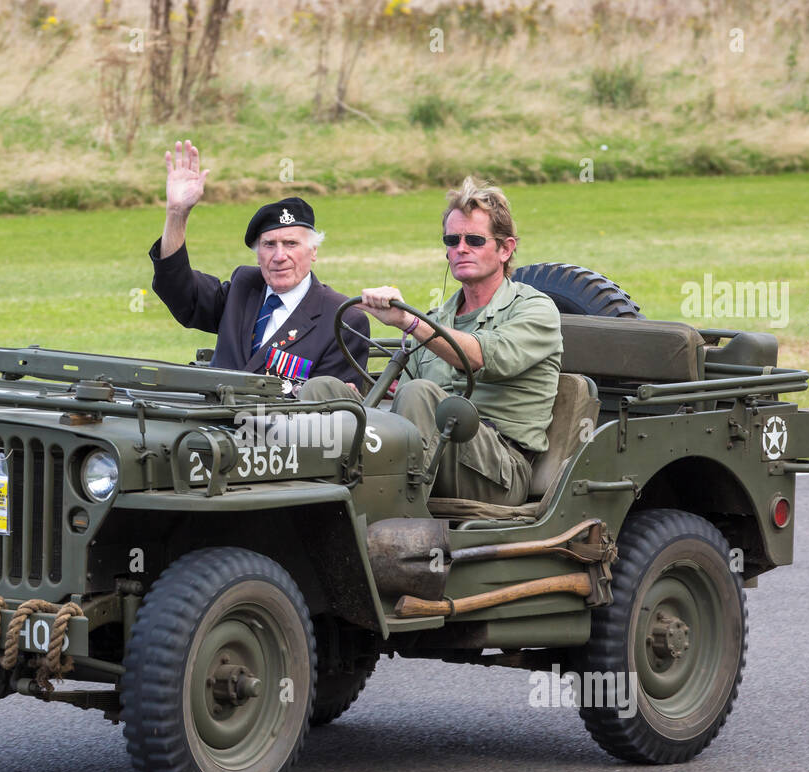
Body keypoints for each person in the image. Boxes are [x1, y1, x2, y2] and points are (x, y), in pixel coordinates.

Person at [300, 177, 562, 506]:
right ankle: (314, 506)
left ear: (505, 248)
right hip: (434, 449)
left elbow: (480, 356)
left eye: (475, 240)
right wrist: (365, 396)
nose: (461, 249)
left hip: (499, 469)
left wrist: (411, 323)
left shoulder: (534, 309)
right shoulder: (438, 317)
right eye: (452, 240)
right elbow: (400, 391)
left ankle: (396, 518)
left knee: (422, 394)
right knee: (324, 391)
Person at [148, 140, 371, 390]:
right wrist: (177, 214)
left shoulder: (341, 318)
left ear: (313, 251)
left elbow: (332, 411)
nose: (279, 256)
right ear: (257, 255)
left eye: (291, 244)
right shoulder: (244, 287)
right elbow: (177, 287)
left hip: (283, 428)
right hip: (207, 422)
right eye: (269, 245)